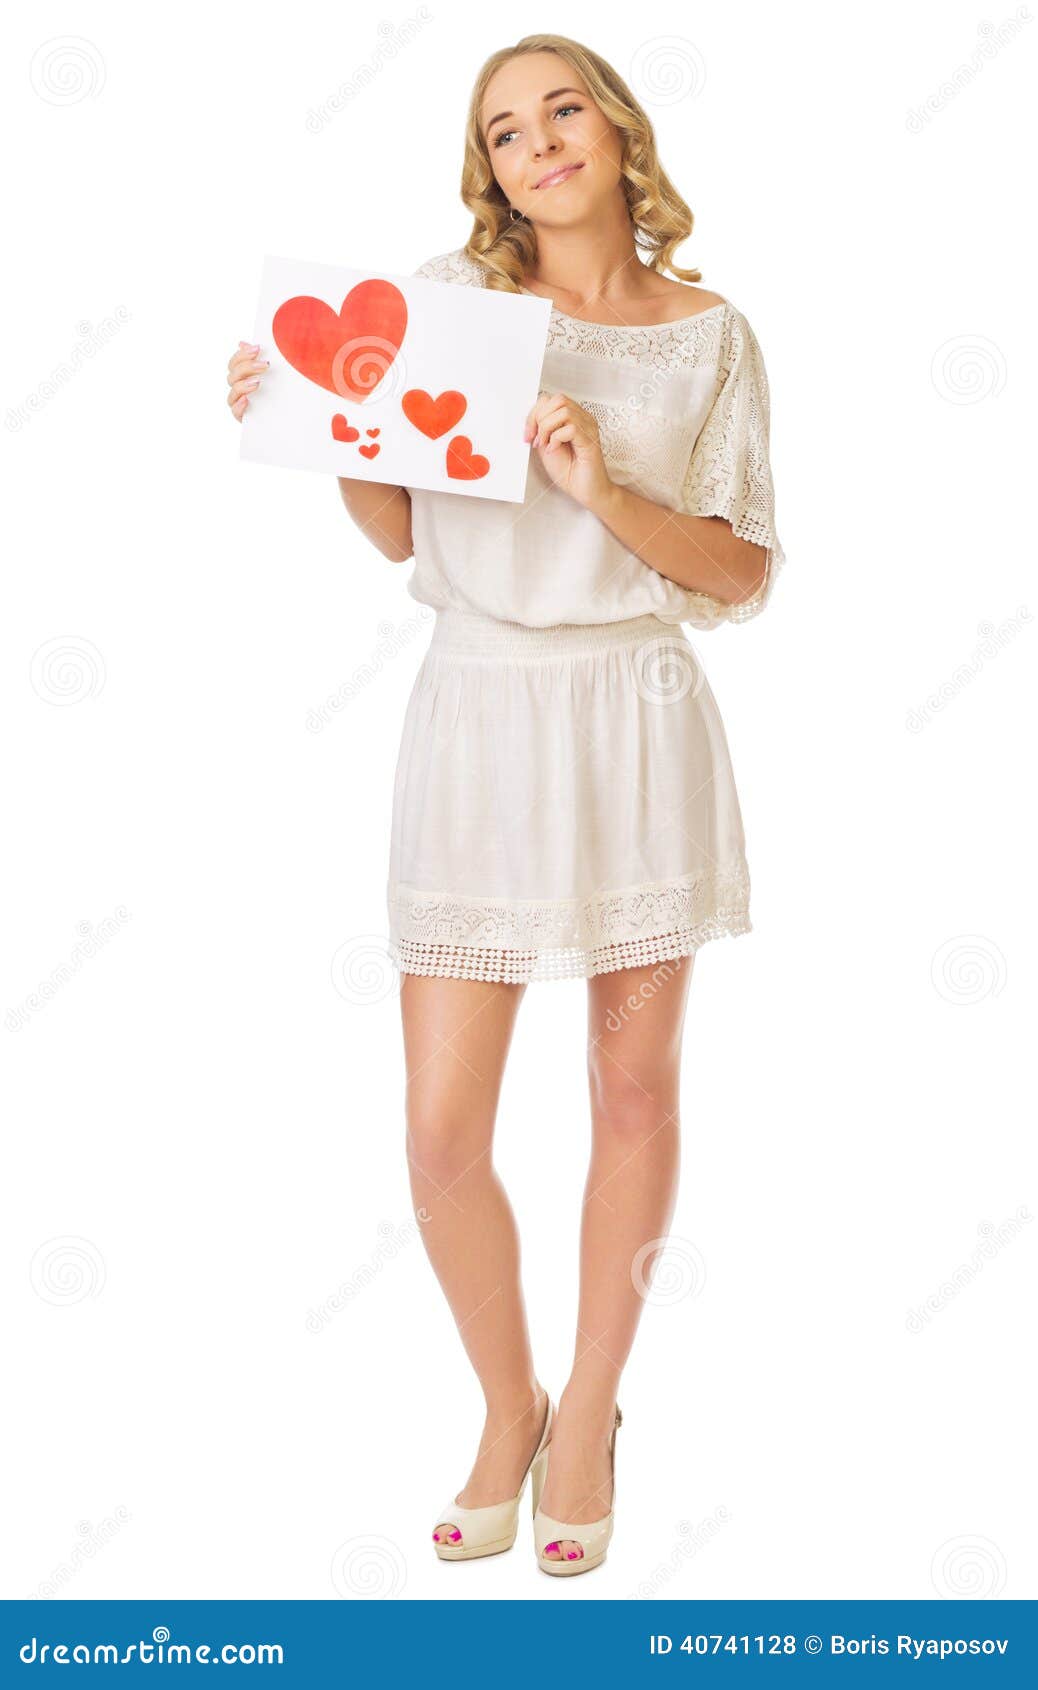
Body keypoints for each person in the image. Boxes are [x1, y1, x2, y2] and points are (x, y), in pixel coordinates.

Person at [226, 33, 785, 1578]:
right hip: (475, 714)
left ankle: (591, 1412)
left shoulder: (709, 336)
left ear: (614, 130)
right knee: (438, 1131)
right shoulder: (453, 309)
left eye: (561, 109)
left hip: (636, 717)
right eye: (504, 127)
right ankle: (506, 1400)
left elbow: (742, 572)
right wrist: (320, 417)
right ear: (488, 170)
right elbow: (401, 527)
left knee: (631, 1096)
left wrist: (603, 488)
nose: (538, 141)